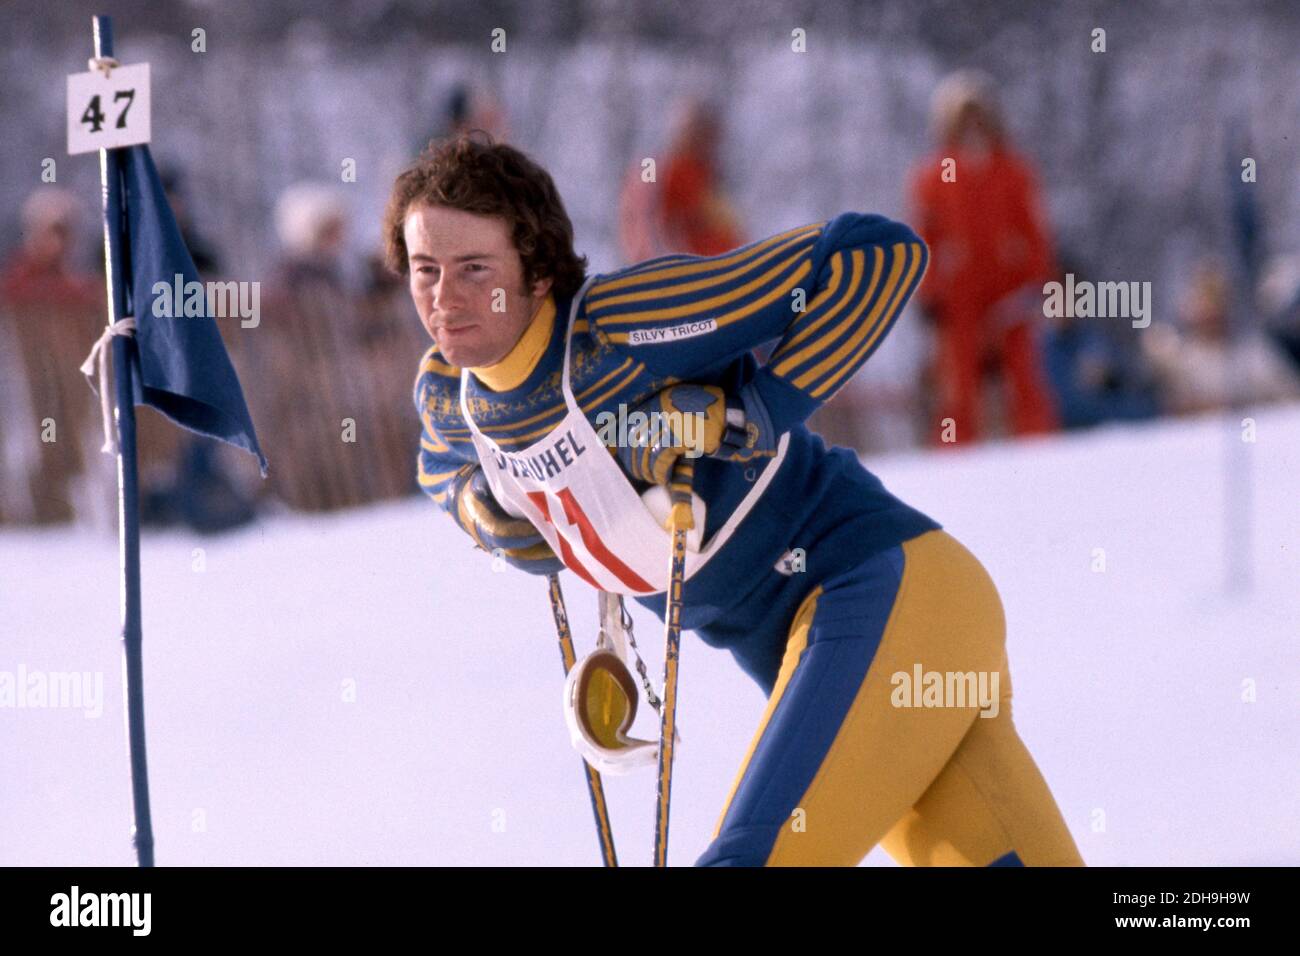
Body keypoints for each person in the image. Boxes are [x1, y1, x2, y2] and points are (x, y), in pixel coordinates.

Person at [390, 133, 1084, 867]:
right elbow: (438, 462)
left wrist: (756, 412)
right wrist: (480, 511)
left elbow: (877, 254)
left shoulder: (625, 325)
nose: (444, 298)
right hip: (850, 663)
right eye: (425, 270)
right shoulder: (452, 396)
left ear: (537, 271)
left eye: (475, 269)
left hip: (891, 592)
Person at [908, 70, 1059, 444]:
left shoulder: (1014, 171)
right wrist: (928, 292)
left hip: (1009, 289)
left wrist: (1038, 281)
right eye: (963, 119)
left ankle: (1039, 447)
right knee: (958, 385)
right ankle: (956, 456)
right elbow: (925, 239)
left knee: (1023, 376)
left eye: (978, 117)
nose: (972, 127)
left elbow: (1034, 231)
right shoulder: (933, 177)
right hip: (959, 295)